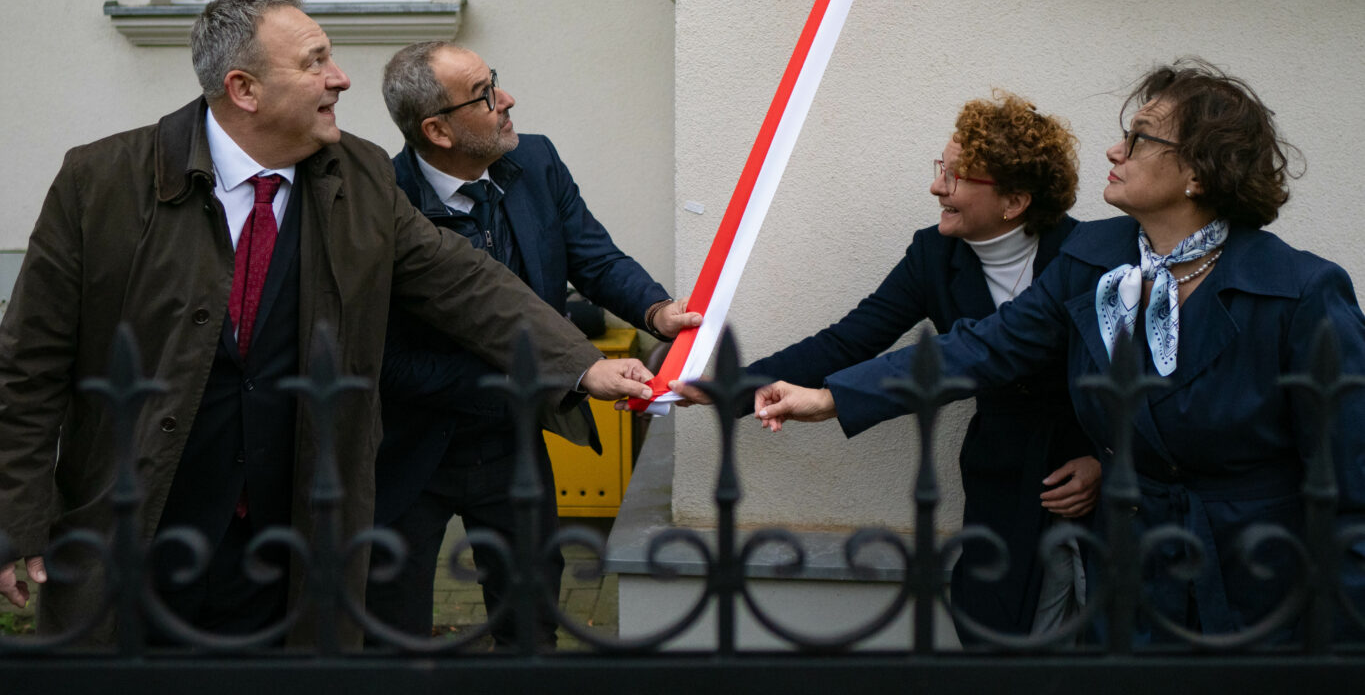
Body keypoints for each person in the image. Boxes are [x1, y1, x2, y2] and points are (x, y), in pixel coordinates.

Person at [0, 0, 654, 645]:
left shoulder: (361, 177)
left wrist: (580, 367)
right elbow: (29, 367)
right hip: (138, 534)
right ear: (245, 89)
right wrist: (15, 519)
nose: (339, 78)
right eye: (315, 63)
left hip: (294, 548)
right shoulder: (101, 183)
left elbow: (464, 282)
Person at [753, 60, 1365, 641]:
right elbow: (981, 347)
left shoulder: (1300, 293)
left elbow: (1351, 492)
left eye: (1140, 138)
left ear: (1199, 171)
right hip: (1131, 576)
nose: (1115, 150)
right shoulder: (1095, 260)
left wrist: (1341, 646)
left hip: (1258, 588)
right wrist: (833, 397)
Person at [673, 92, 1099, 639]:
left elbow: (1144, 381)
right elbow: (848, 340)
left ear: (1014, 201)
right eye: (941, 169)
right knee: (994, 634)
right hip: (1004, 471)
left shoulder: (1086, 254)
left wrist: (1102, 460)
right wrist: (729, 388)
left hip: (1086, 471)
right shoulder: (934, 256)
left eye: (958, 175)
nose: (937, 186)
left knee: (1098, 637)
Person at [366, 41, 700, 645]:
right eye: (485, 94)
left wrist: (657, 309)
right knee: (396, 633)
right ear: (438, 130)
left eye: (495, 81)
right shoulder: (382, 204)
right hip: (411, 451)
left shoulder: (537, 163)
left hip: (511, 443)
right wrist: (558, 373)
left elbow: (594, 258)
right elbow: (389, 363)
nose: (507, 99)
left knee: (531, 620)